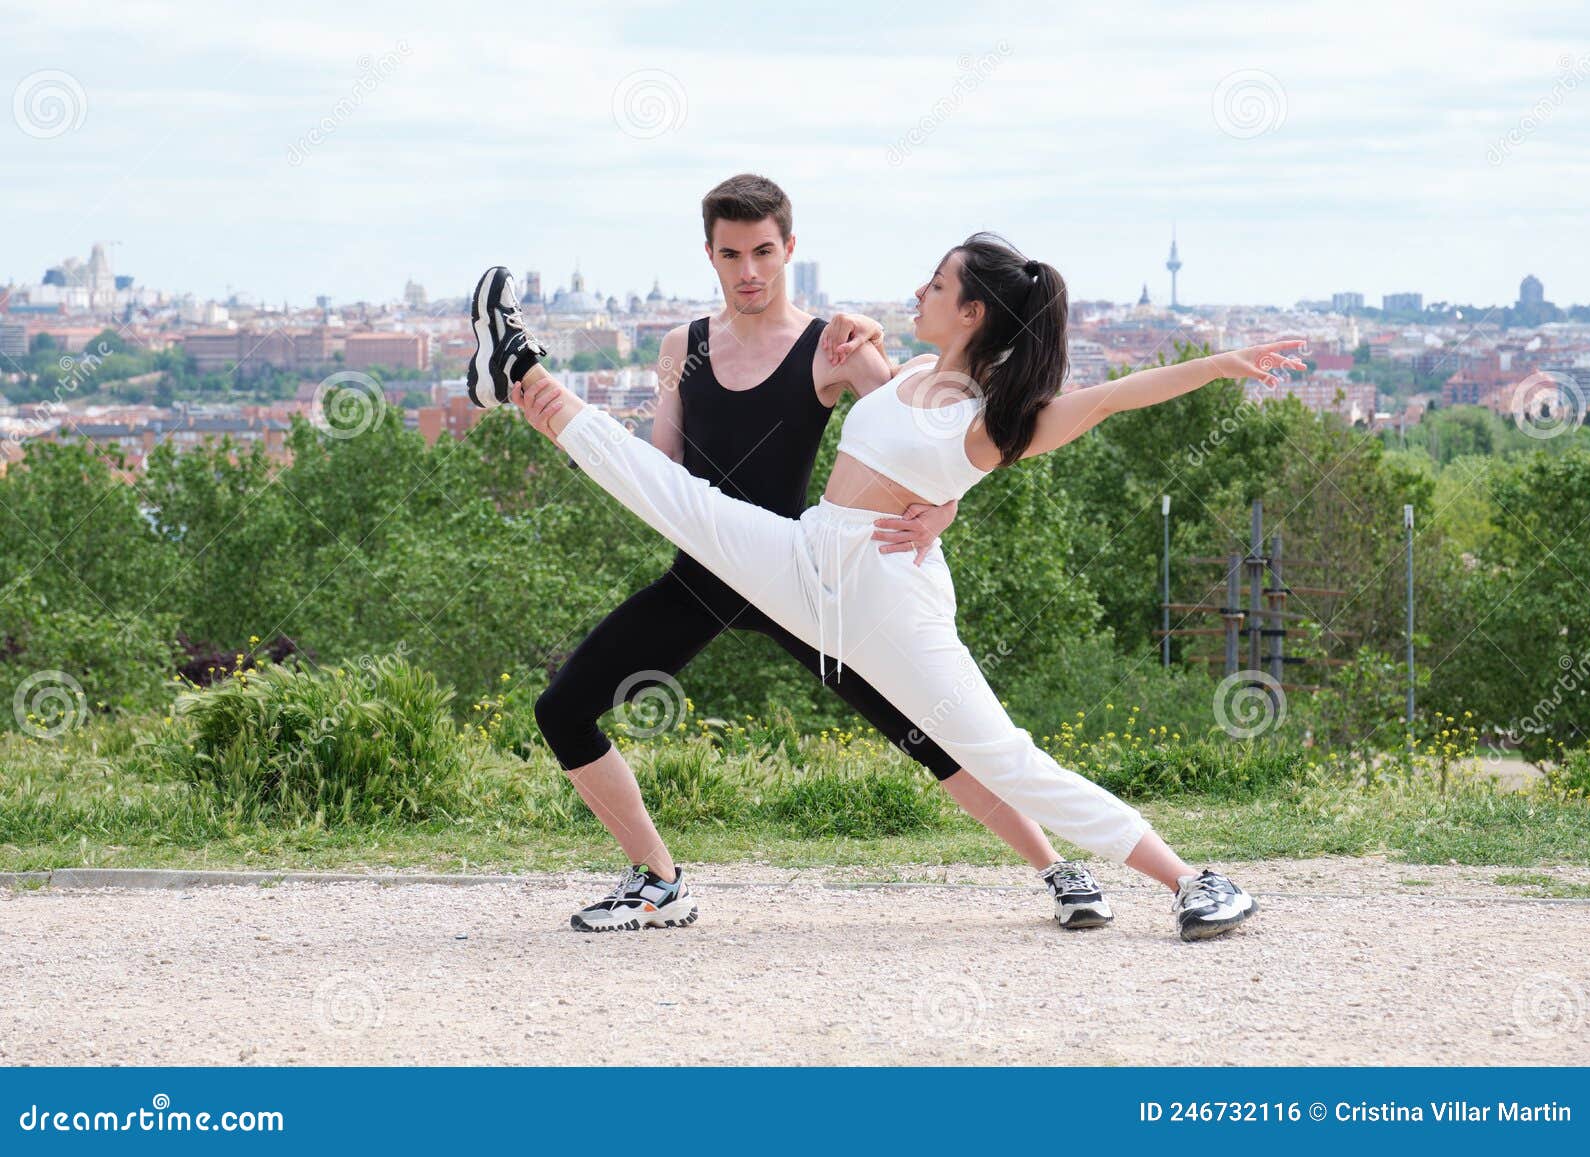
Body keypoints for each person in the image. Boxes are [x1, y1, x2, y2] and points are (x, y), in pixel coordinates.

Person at [488, 229, 1306, 941]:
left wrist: (1218, 366)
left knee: (1003, 758)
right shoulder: (915, 369)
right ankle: (519, 372)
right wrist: (939, 496)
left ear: (973, 311)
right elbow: (900, 451)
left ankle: (1194, 880)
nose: (920, 290)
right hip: (815, 552)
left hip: (887, 598)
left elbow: (1106, 402)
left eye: (938, 284)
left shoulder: (996, 415)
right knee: (683, 506)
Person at [471, 174, 1111, 933]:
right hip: (707, 575)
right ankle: (657, 880)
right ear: (709, 254)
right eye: (732, 253)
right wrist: (587, 443)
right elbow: (665, 471)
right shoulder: (685, 347)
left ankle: (1058, 869)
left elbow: (939, 434)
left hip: (808, 582)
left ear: (789, 250)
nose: (749, 271)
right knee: (563, 710)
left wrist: (943, 511)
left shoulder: (833, 347)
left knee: (931, 729)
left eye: (764, 252)